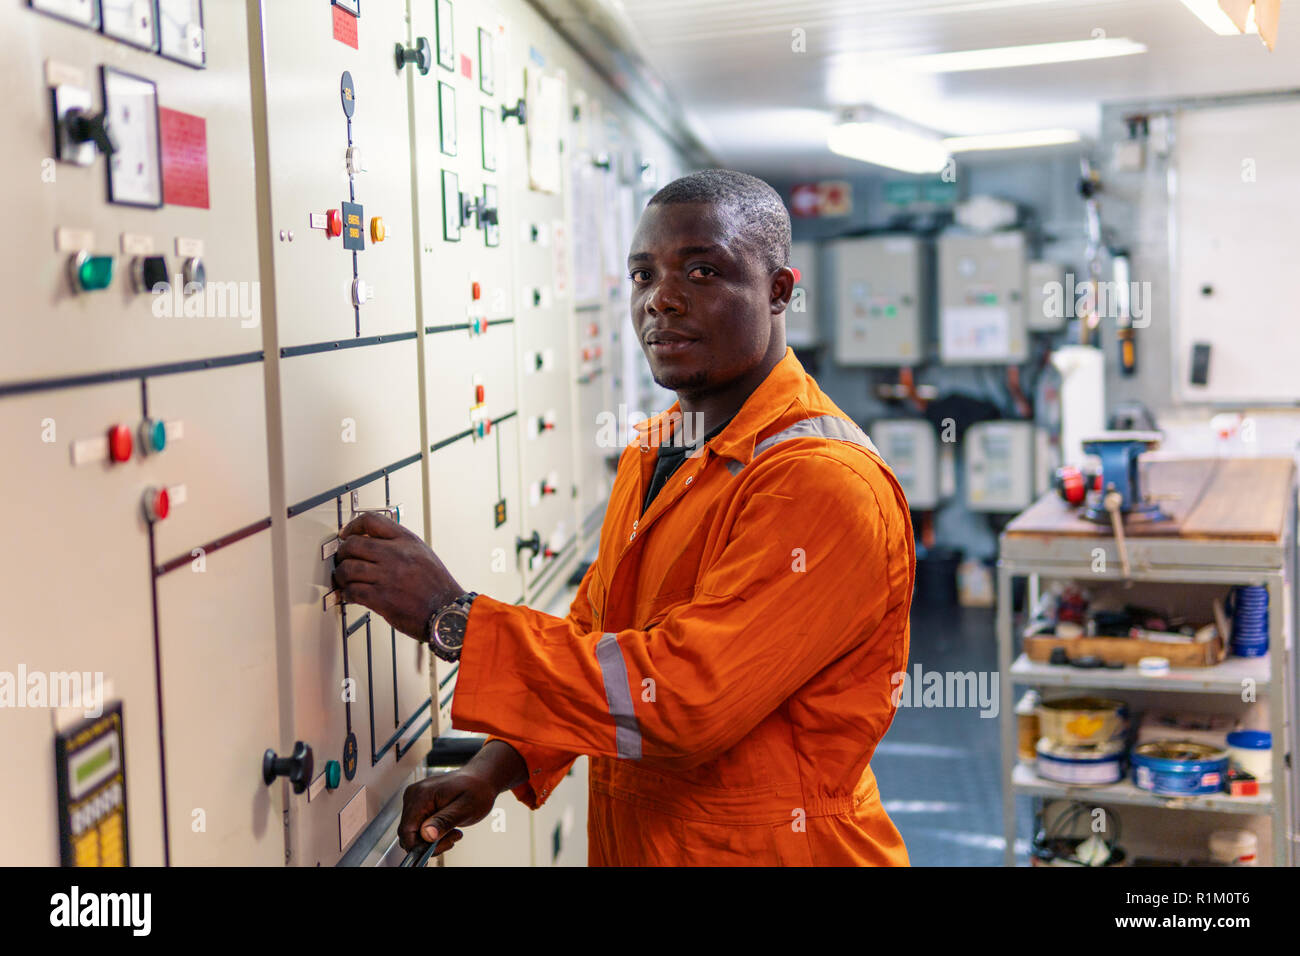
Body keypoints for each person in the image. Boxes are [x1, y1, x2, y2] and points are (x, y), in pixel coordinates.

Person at [332, 169, 914, 866]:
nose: (662, 300)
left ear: (779, 290)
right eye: (643, 276)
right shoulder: (658, 450)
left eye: (703, 271)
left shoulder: (822, 483)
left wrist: (452, 617)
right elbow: (599, 643)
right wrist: (496, 766)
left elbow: (684, 699)